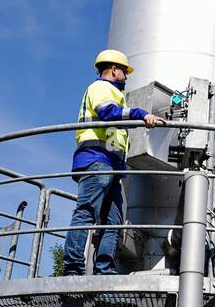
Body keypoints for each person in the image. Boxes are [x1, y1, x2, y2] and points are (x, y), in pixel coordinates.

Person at [63, 49, 163, 276]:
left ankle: (105, 270)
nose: (126, 77)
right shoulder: (101, 88)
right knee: (87, 212)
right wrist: (140, 113)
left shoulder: (113, 93)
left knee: (114, 222)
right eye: (125, 72)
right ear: (114, 69)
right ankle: (73, 268)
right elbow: (107, 113)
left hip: (111, 166)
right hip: (96, 160)